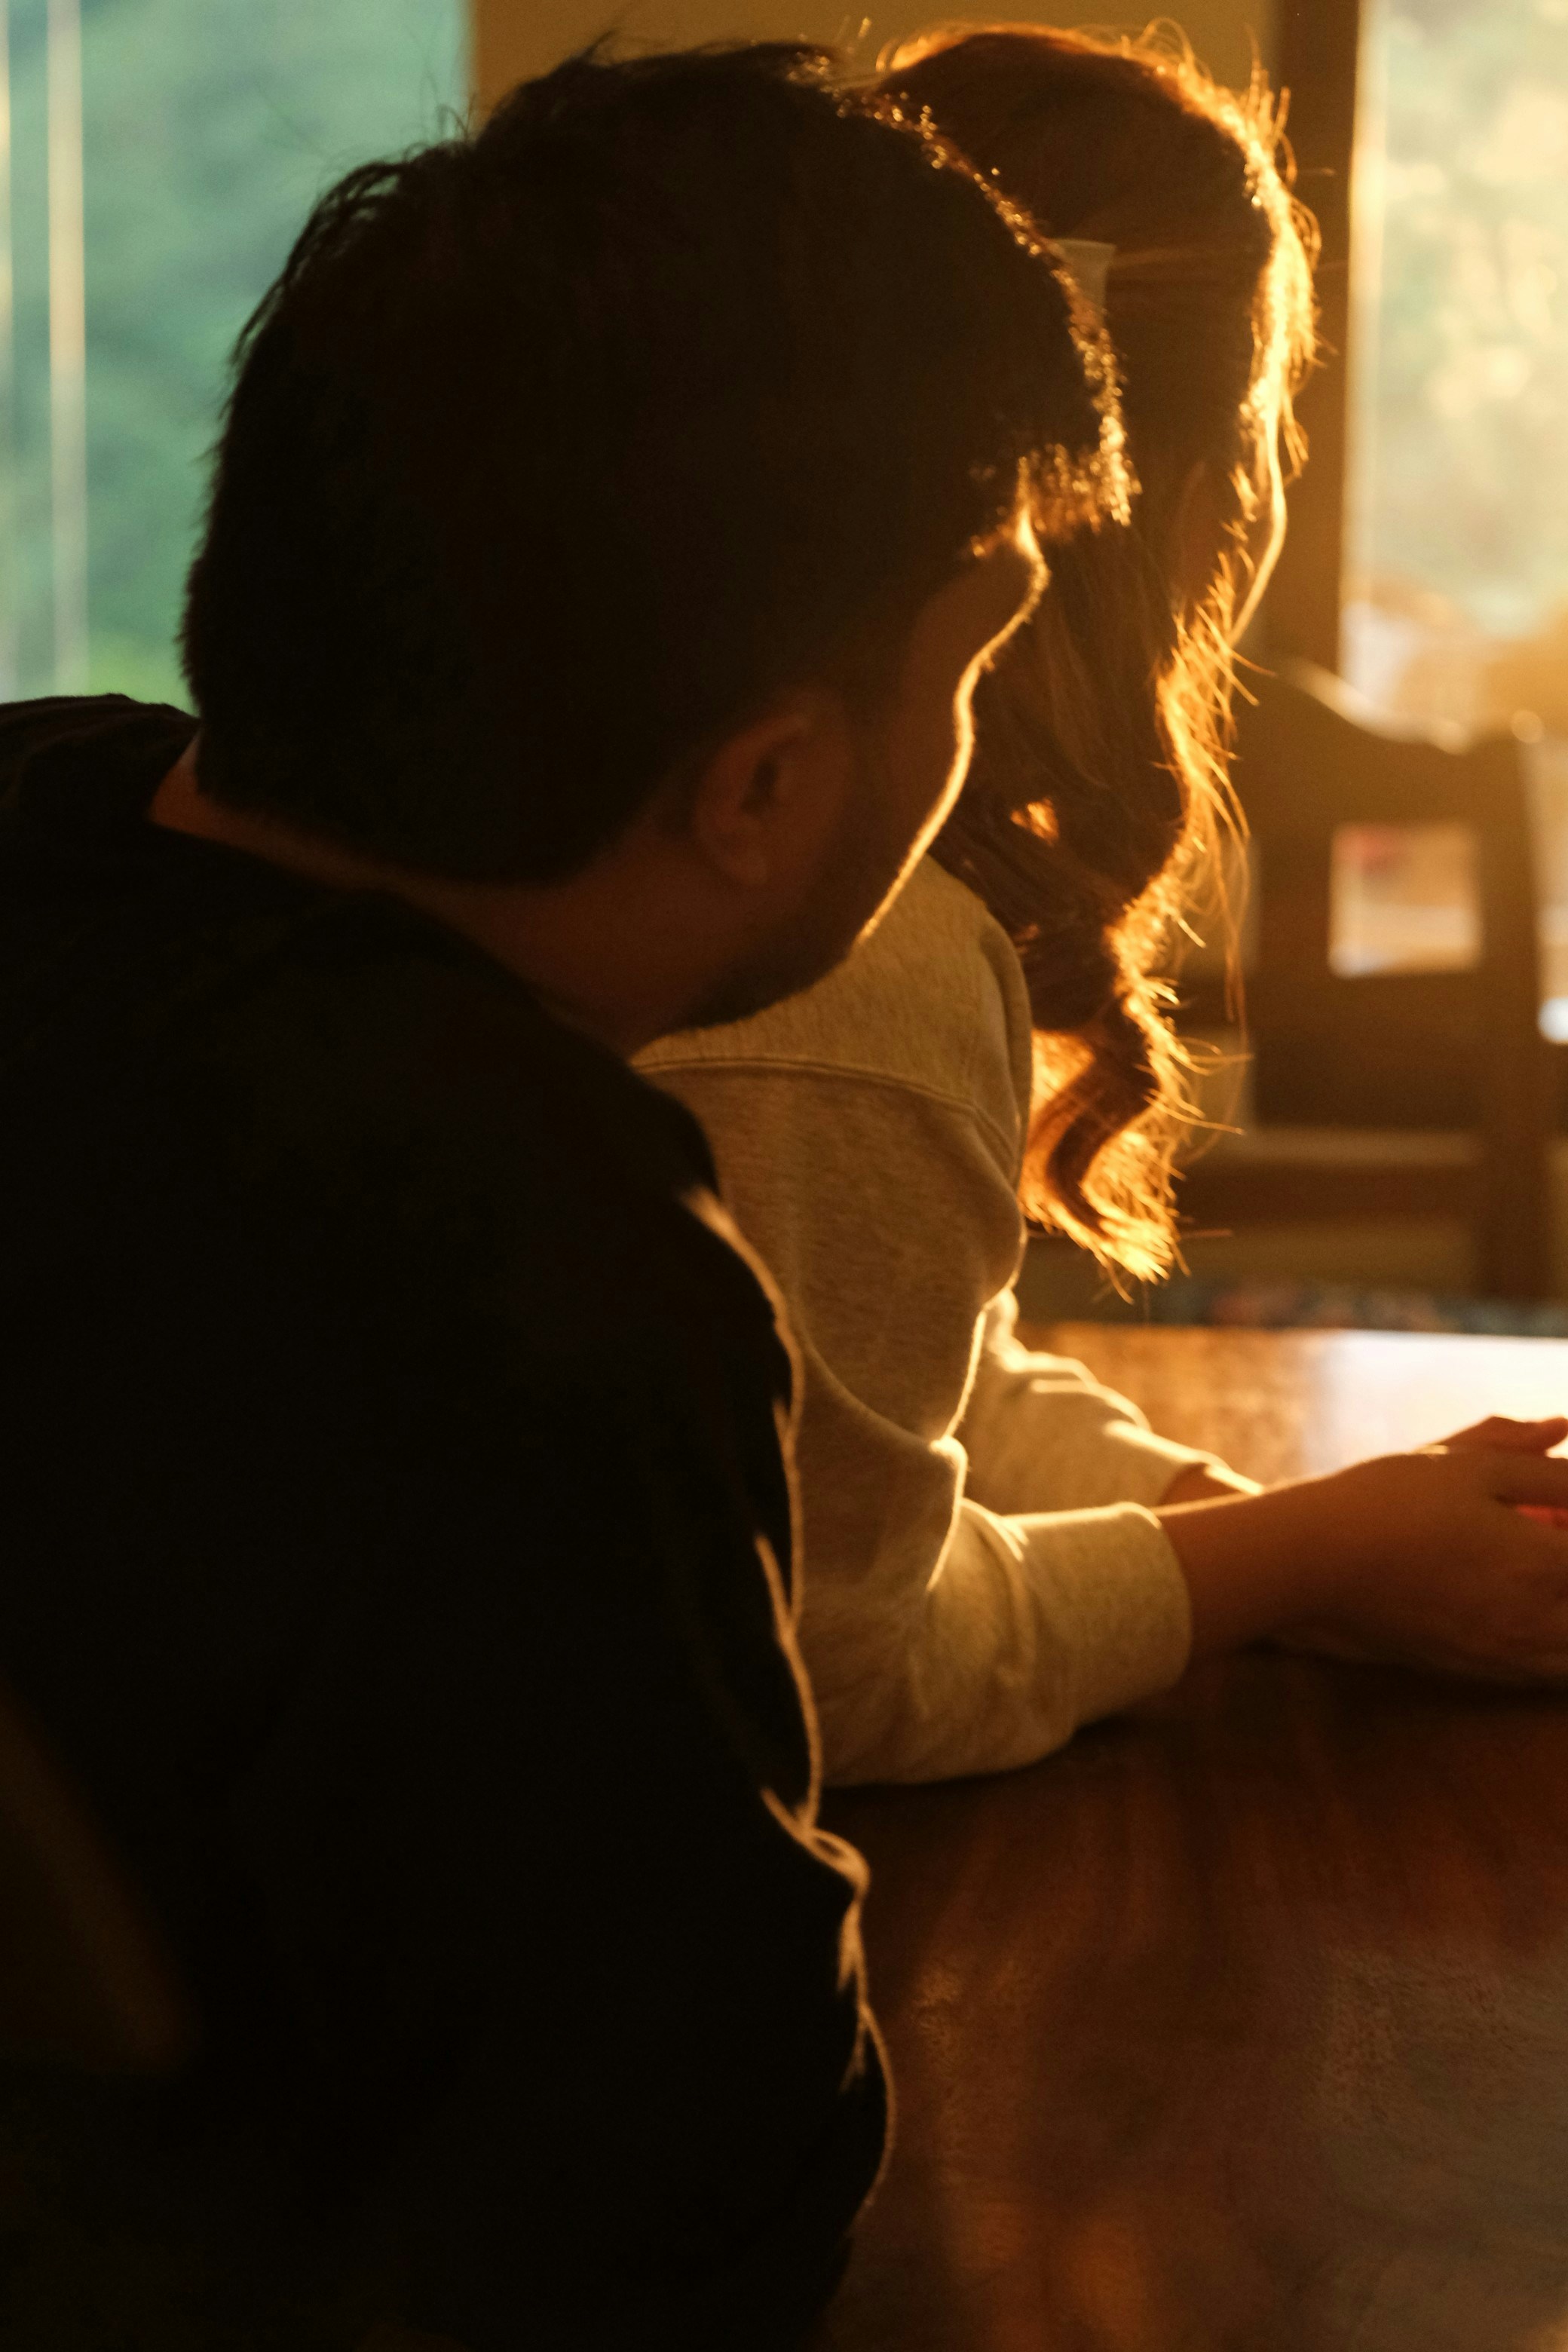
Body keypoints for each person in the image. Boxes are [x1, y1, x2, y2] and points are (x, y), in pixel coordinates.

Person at [0, 44, 1116, 2348]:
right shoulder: (535, 1262)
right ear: (768, 784)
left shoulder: (44, 827)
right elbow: (694, 2179)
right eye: (976, 659)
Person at [639, 24, 1568, 1790]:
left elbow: (913, 1405)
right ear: (1206, 487)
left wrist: (1304, 1550)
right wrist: (1296, 1560)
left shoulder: (782, 850)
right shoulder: (852, 964)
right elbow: (838, 1668)